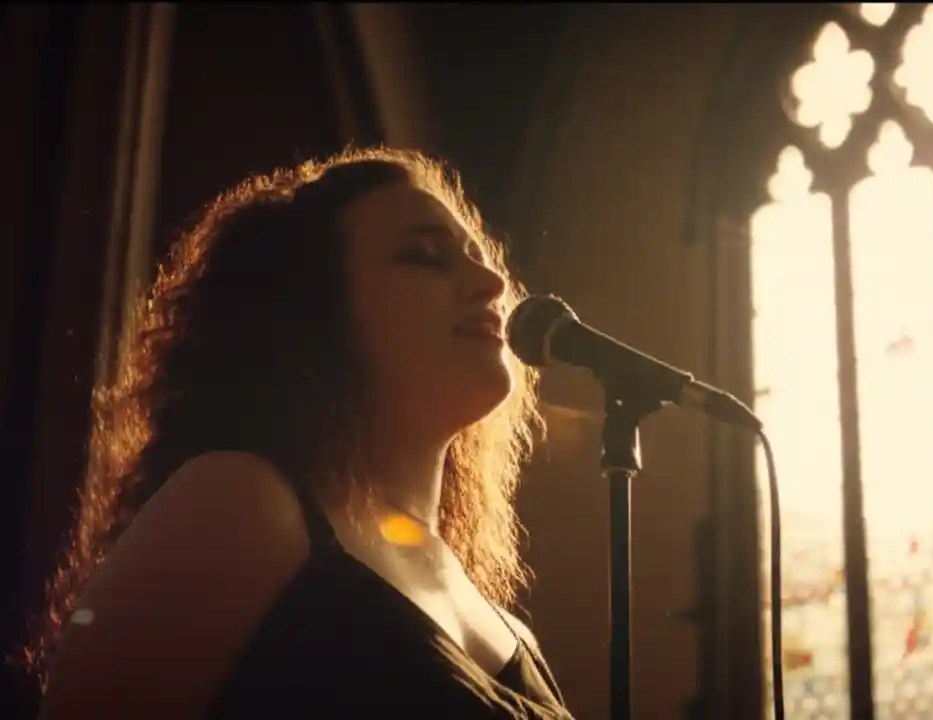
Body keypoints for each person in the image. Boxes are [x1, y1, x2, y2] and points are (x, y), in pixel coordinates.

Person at [18, 146, 573, 718]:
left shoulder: (509, 629)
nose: (490, 283)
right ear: (314, 314)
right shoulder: (241, 501)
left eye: (480, 258)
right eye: (425, 256)